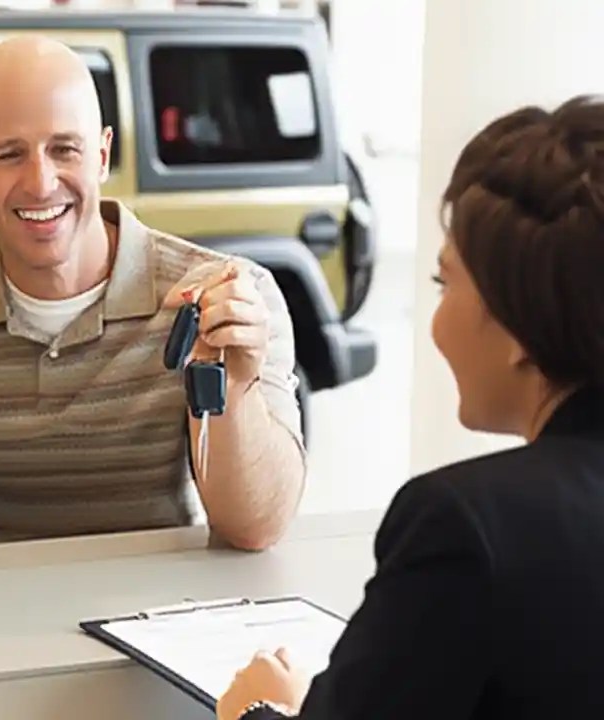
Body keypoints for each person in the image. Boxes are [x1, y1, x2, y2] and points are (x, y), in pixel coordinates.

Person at [216, 95, 604, 720]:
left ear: (516, 325)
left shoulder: (464, 527)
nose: (436, 322)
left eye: (446, 283)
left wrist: (258, 711)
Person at [0, 36, 306, 550]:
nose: (41, 182)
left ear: (101, 155)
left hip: (157, 598)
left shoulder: (227, 298)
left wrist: (235, 383)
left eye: (64, 149)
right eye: (9, 154)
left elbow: (256, 527)